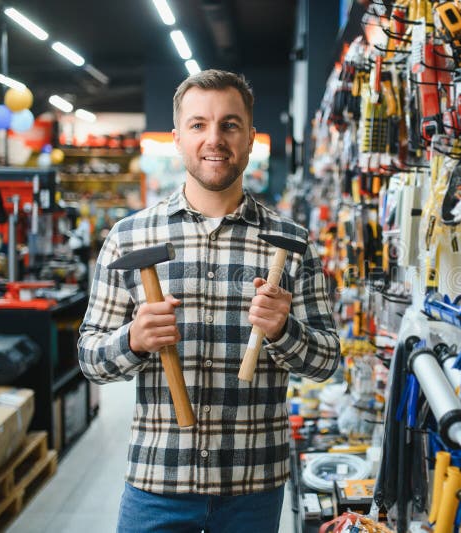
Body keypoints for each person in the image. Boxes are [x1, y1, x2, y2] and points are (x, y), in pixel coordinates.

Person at [78, 69, 340, 533]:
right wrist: (134, 341)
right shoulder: (129, 237)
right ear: (178, 138)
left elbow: (325, 361)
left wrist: (284, 331)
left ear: (251, 138)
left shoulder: (291, 241)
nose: (214, 139)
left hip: (253, 485)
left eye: (229, 125)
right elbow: (91, 361)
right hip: (157, 480)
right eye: (198, 125)